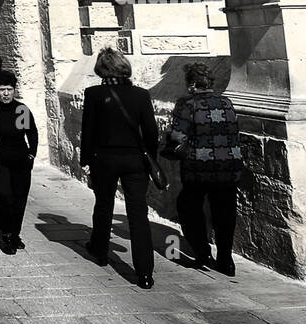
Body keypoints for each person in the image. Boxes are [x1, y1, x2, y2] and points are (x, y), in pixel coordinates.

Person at [80, 46, 158, 289]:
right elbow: (151, 132)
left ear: (101, 70)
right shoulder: (141, 95)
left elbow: (89, 130)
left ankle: (100, 250)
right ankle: (144, 272)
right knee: (138, 214)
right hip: (135, 160)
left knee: (103, 204)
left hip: (104, 158)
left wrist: (85, 160)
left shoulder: (93, 94)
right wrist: (150, 159)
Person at [168, 61, 243, 276]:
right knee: (225, 211)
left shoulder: (187, 104)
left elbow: (178, 135)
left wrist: (170, 136)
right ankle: (226, 260)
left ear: (192, 84)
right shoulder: (227, 102)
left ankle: (202, 252)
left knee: (188, 206)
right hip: (228, 166)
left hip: (198, 167)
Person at [0, 70, 38, 254]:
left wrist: (31, 155)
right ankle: (6, 232)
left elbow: (31, 133)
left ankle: (14, 234)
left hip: (20, 161)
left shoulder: (21, 110)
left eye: (10, 89)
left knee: (19, 199)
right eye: (2, 89)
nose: (6, 93)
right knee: (4, 196)